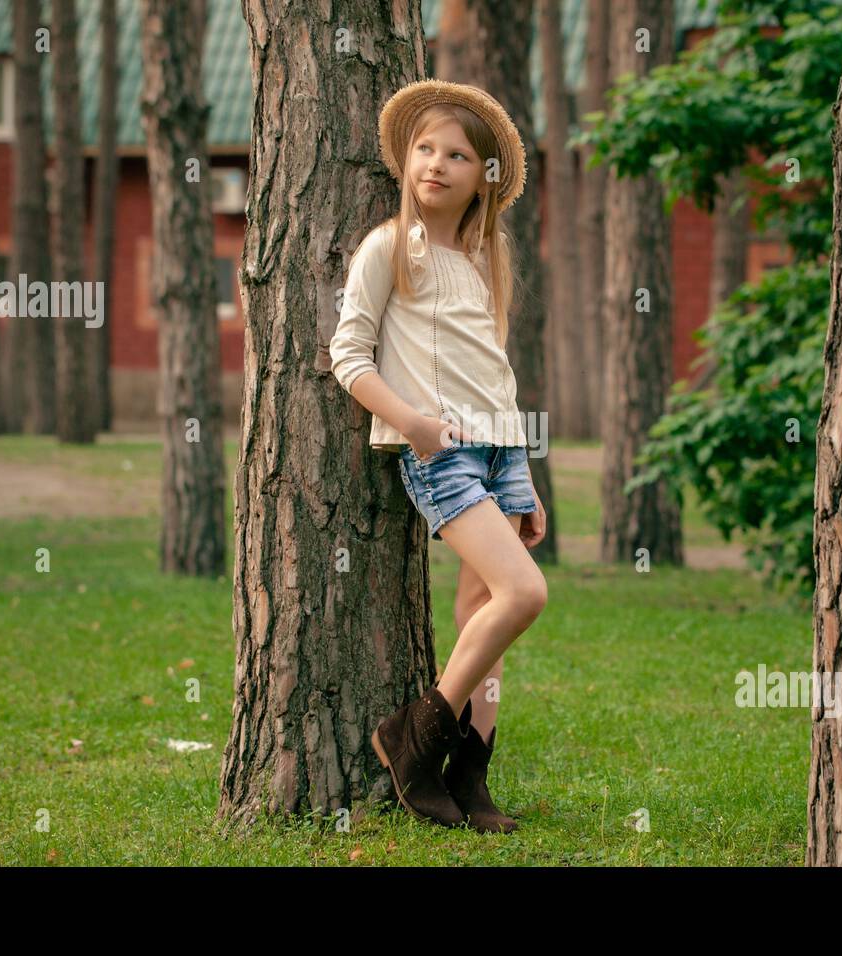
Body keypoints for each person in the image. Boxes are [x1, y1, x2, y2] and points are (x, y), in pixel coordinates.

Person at [328, 79, 548, 834]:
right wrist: (415, 426)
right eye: (426, 149)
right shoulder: (393, 247)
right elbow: (348, 356)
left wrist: (524, 476)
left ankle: (471, 773)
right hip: (442, 452)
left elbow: (493, 368)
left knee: (482, 608)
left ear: (482, 175)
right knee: (525, 595)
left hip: (500, 450)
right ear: (406, 160)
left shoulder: (486, 255)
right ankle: (414, 739)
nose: (438, 164)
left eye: (457, 154)